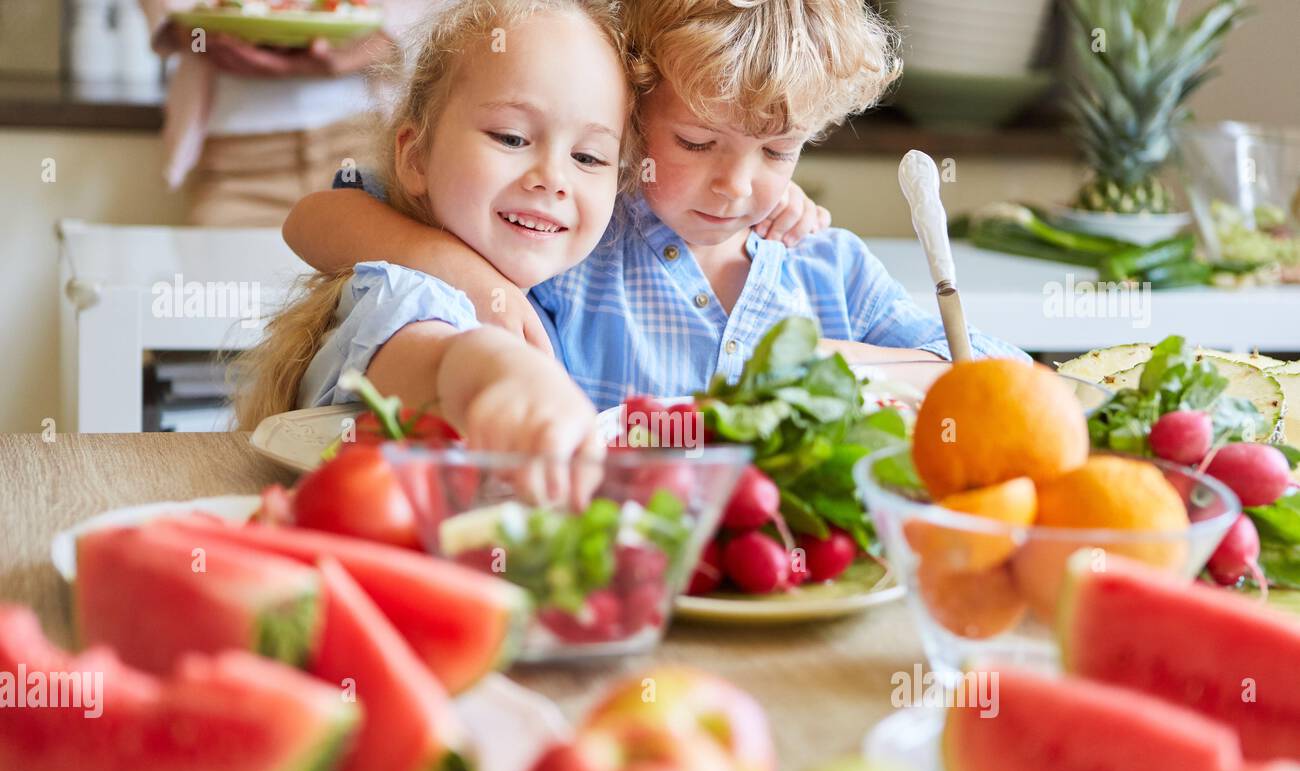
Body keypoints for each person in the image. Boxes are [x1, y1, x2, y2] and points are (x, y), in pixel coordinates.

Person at [281, 0, 1029, 410]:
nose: (737, 186)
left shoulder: (827, 270)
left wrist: (847, 367)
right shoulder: (573, 245)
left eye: (777, 152)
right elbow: (326, 217)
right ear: (631, 116)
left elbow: (1001, 374)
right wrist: (467, 273)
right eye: (698, 143)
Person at [232, 0, 632, 465]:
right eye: (511, 138)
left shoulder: (561, 298)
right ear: (416, 156)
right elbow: (440, 359)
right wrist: (502, 376)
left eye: (588, 158)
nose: (553, 178)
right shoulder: (402, 290)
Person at [139, 0, 429, 226]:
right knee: (229, 294)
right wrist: (188, 24)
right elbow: (176, 19)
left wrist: (385, 35)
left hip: (363, 147)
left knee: (373, 293)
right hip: (237, 164)